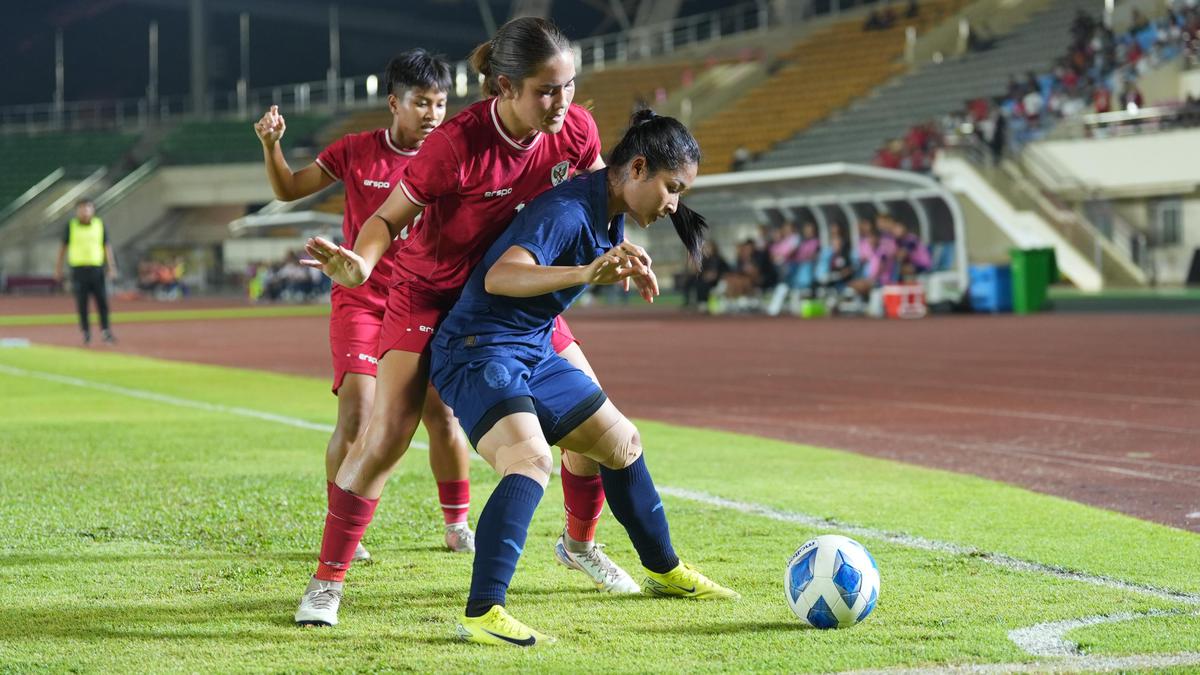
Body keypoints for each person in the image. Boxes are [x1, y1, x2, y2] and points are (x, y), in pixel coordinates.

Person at [294, 17, 639, 628]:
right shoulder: (455, 144)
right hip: (430, 295)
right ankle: (327, 582)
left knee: (589, 409)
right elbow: (387, 218)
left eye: (569, 86)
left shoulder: (577, 131)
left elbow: (592, 202)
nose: (562, 103)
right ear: (504, 87)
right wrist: (360, 264)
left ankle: (580, 546)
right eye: (546, 90)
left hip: (513, 301)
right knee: (389, 433)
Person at [432, 110, 738, 646]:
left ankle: (664, 571)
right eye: (672, 188)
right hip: (478, 349)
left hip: (531, 347)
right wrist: (585, 272)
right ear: (638, 168)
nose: (674, 205)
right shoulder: (571, 209)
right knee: (529, 461)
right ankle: (483, 611)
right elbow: (503, 275)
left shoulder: (609, 209)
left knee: (622, 444)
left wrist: (622, 260)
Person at [254, 50, 477, 561]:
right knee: (356, 414)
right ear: (394, 102)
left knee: (440, 415)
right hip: (360, 299)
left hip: (423, 301)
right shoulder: (356, 150)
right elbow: (289, 188)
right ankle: (343, 528)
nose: (433, 115)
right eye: (422, 103)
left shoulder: (450, 156)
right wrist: (272, 147)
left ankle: (457, 523)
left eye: (441, 104)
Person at [54, 198, 117, 344]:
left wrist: (111, 266)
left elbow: (106, 247)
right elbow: (62, 248)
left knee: (102, 302)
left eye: (88, 208)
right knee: (82, 303)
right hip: (79, 270)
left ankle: (106, 331)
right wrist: (58, 268)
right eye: (82, 208)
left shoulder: (99, 224)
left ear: (93, 209)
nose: (85, 211)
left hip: (97, 269)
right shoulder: (71, 226)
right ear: (77, 211)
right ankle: (86, 333)